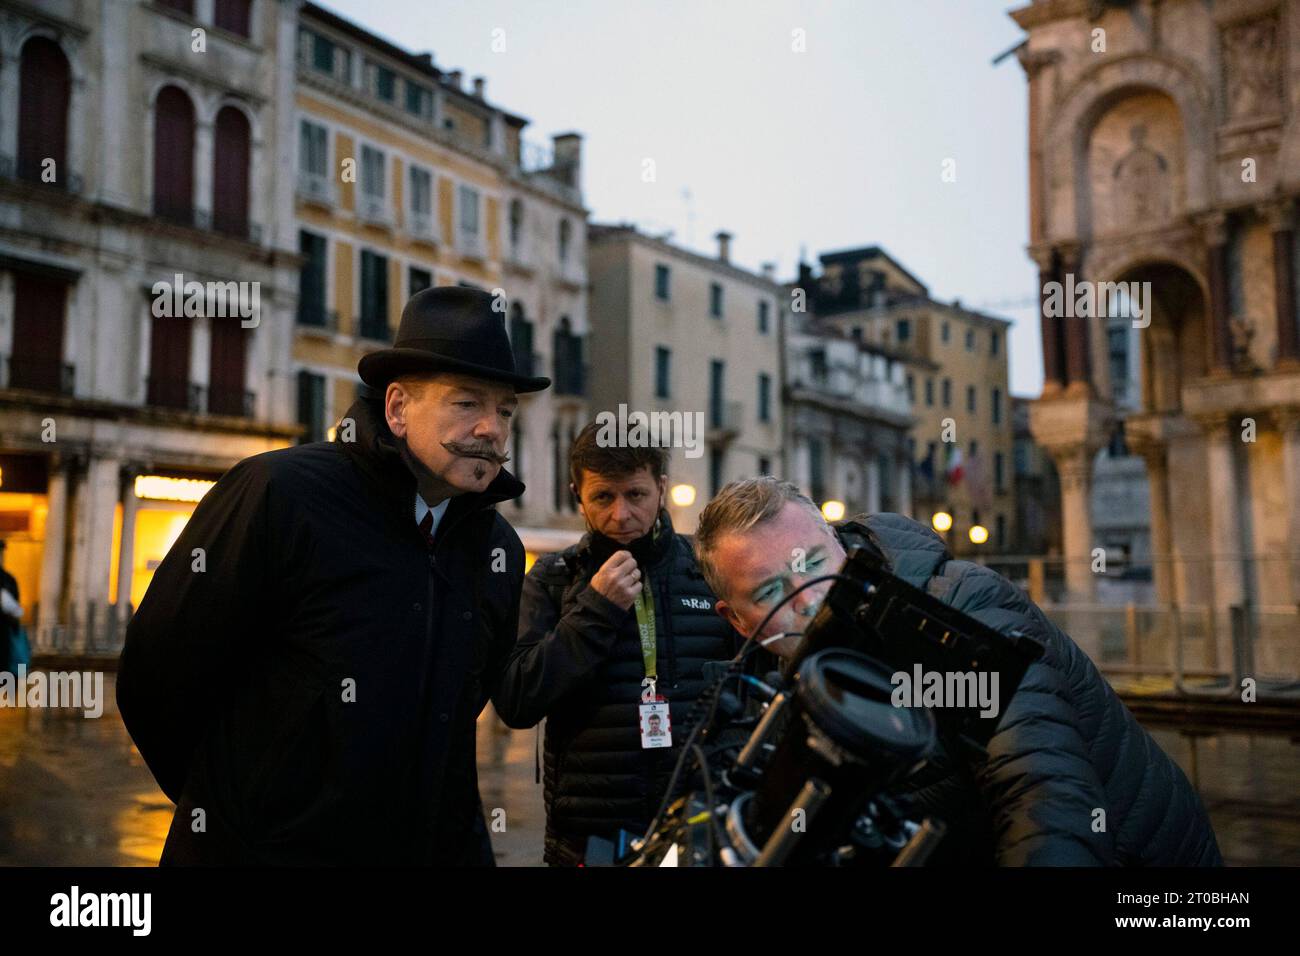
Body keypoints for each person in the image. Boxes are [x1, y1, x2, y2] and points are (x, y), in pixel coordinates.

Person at [117, 286, 547, 865]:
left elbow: (455, 722)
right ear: (397, 408)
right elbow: (157, 674)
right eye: (467, 403)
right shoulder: (280, 494)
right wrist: (236, 815)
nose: (492, 429)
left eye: (505, 410)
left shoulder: (497, 549)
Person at [693, 476, 1223, 866]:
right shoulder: (763, 692)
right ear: (738, 622)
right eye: (769, 592)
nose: (805, 600)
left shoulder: (959, 607)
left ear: (838, 544)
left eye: (811, 565)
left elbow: (1041, 786)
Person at [494, 424, 738, 865]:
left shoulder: (711, 571)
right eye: (603, 497)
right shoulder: (553, 579)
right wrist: (596, 610)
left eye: (636, 495)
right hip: (589, 843)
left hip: (700, 830)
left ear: (661, 489)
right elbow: (516, 702)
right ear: (577, 495)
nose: (621, 515)